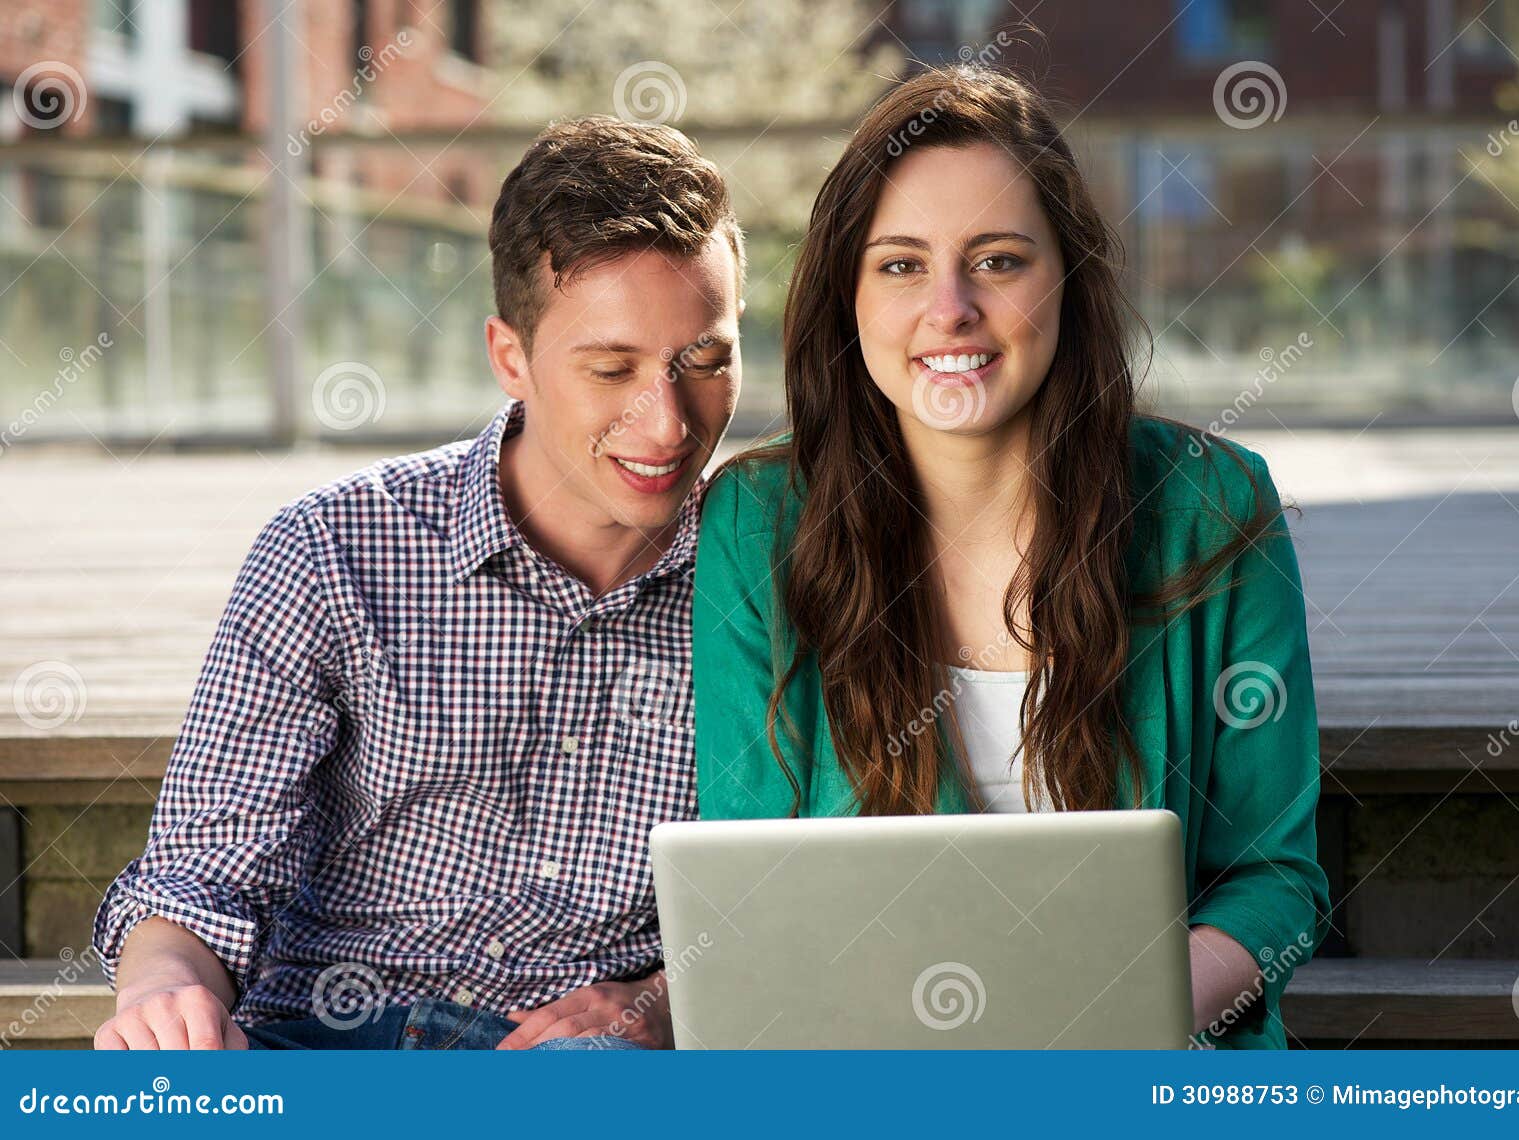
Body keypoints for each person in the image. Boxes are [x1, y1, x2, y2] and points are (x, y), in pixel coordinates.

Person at [692, 66, 1329, 1049]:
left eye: (997, 261)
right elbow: (754, 885)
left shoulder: (1213, 506)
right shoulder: (756, 523)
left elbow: (1273, 879)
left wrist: (1124, 1022)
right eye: (900, 265)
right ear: (846, 294)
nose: (950, 309)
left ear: (1068, 277)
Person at [91, 116, 745, 1050]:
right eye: (612, 369)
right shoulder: (330, 549)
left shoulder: (763, 578)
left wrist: (669, 999)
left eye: (705, 362)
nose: (669, 423)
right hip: (319, 1039)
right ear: (510, 357)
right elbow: (202, 874)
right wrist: (165, 998)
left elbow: (803, 893)